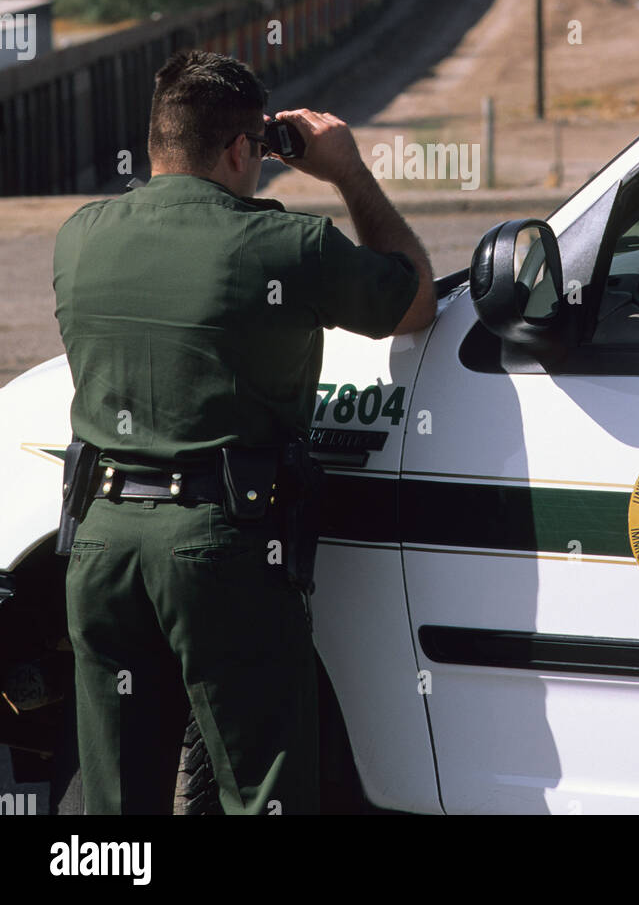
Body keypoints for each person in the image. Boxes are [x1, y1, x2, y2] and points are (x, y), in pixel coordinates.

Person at [53, 48, 437, 815]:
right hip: (219, 550)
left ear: (159, 138)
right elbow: (414, 298)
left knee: (113, 801)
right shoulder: (282, 246)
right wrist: (346, 172)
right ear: (239, 149)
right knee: (260, 792)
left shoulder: (80, 235)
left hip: (99, 542)